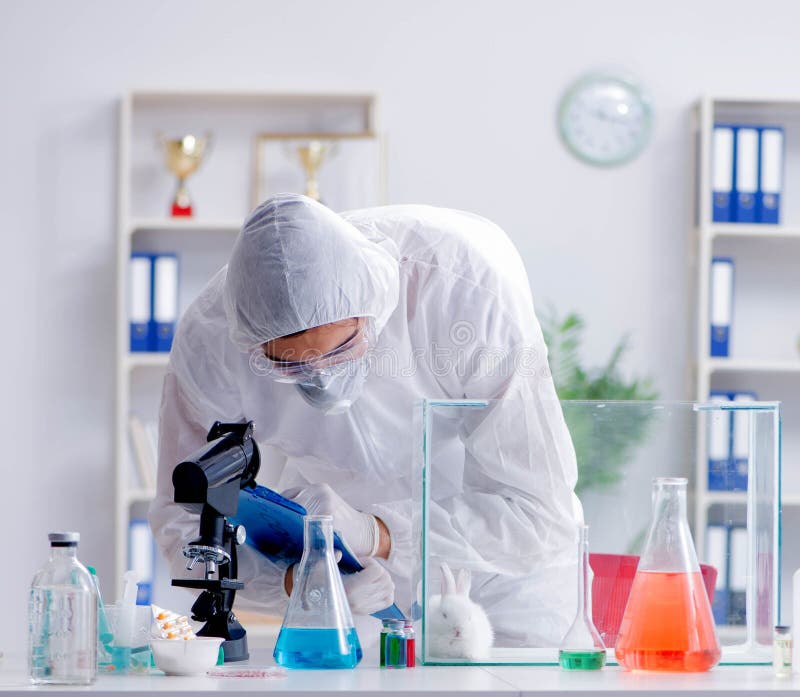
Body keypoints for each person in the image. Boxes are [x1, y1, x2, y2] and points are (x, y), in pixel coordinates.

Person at [149, 193, 581, 647]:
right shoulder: (211, 342)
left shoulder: (463, 289)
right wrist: (298, 585)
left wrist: (380, 531)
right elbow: (181, 519)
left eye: (341, 348)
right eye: (289, 366)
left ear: (371, 307)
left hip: (507, 579)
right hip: (354, 591)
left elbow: (540, 516)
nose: (321, 380)